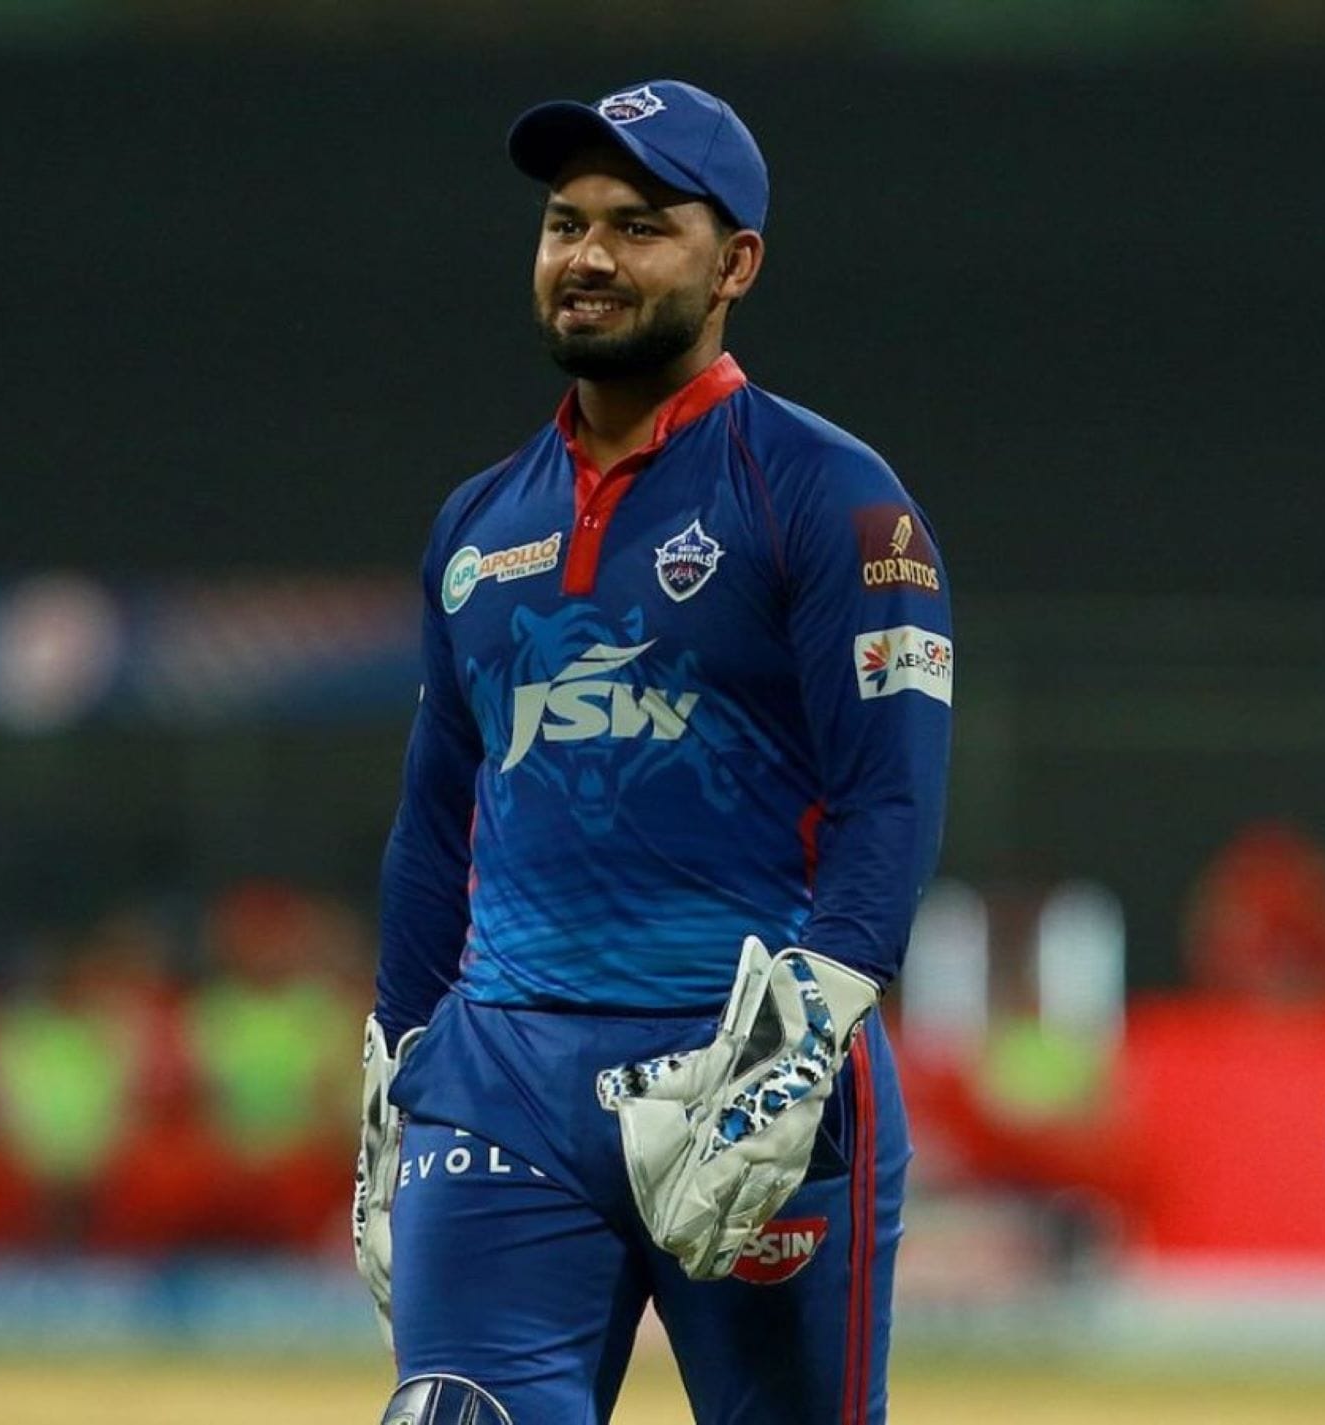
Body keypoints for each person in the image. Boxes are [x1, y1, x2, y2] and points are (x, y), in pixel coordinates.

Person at [356, 80, 953, 1425]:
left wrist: (810, 1029)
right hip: (498, 1079)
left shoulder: (832, 497)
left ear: (734, 262)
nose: (587, 256)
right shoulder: (476, 524)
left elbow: (889, 788)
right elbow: (436, 812)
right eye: (565, 224)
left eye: (639, 227)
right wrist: (398, 1048)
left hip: (745, 1078)